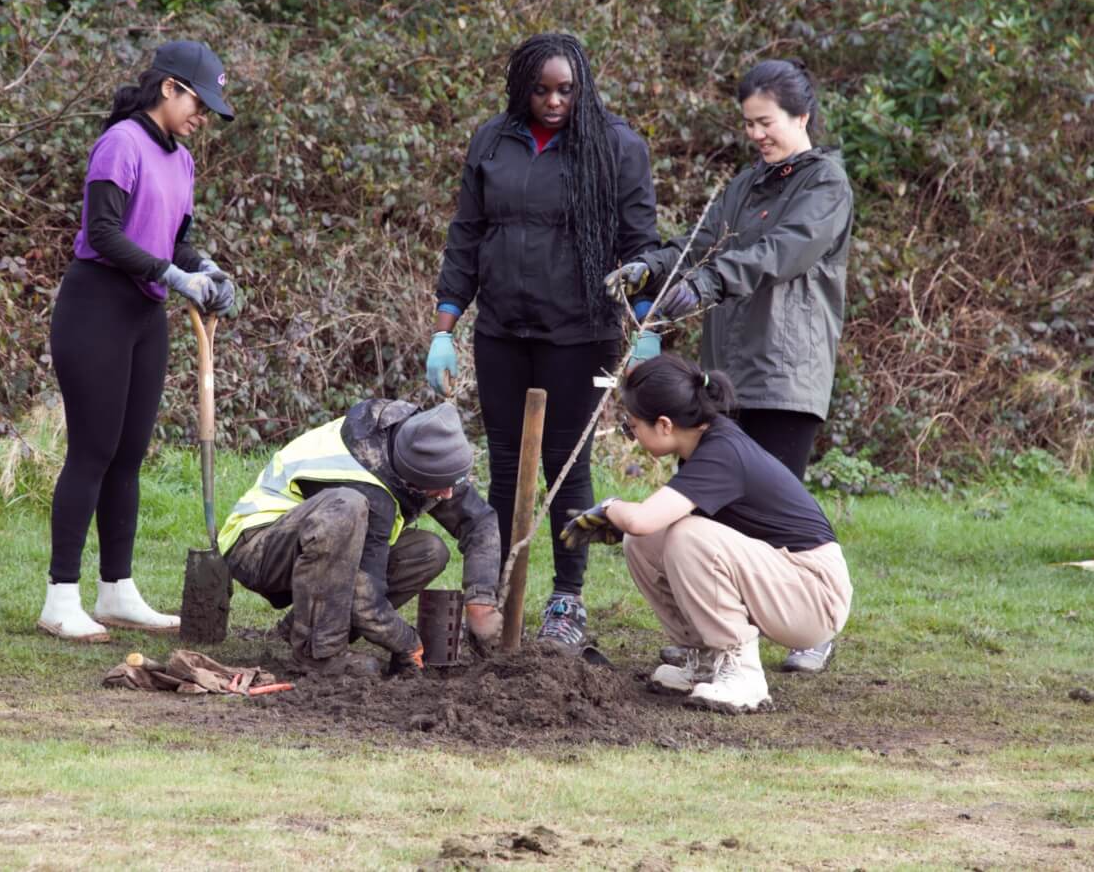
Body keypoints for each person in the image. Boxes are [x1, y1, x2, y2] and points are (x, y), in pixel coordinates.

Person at [613, 58, 853, 673]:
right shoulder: (744, 187)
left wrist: (708, 284)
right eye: (748, 124)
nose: (756, 135)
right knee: (715, 507)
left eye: (766, 122)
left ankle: (810, 628)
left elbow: (779, 252)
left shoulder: (825, 186)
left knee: (772, 507)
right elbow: (702, 245)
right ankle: (719, 634)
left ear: (802, 116)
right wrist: (654, 266)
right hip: (725, 373)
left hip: (786, 370)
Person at [426, 33, 660, 654]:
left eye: (566, 90)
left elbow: (641, 247)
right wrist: (444, 329)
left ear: (582, 87)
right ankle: (494, 594)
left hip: (582, 336)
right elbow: (467, 235)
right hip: (502, 330)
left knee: (565, 464)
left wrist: (647, 329)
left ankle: (566, 601)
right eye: (541, 89)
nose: (554, 101)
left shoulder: (615, 146)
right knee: (505, 466)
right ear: (520, 86)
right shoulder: (493, 140)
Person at [37, 40, 240, 642]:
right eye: (200, 103)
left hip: (145, 315)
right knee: (92, 454)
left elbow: (174, 240)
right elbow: (102, 233)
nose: (204, 117)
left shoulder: (181, 160)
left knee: (128, 458)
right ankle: (59, 598)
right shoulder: (120, 143)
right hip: (96, 306)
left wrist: (206, 268)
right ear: (169, 88)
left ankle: (117, 591)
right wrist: (172, 275)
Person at [560, 355, 852, 713]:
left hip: (816, 594)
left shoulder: (721, 453)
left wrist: (609, 507)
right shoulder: (704, 446)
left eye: (631, 426)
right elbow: (642, 529)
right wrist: (624, 521)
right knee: (644, 542)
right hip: (788, 580)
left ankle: (743, 673)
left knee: (687, 537)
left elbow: (640, 518)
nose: (631, 436)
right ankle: (706, 660)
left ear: (664, 425)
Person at [218, 400, 503, 676]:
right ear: (411, 479)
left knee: (428, 551)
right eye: (440, 488)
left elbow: (478, 520)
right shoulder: (368, 487)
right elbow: (364, 600)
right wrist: (407, 642)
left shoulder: (414, 443)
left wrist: (481, 601)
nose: (448, 495)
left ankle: (306, 624)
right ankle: (320, 654)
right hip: (257, 546)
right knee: (346, 507)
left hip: (310, 543)